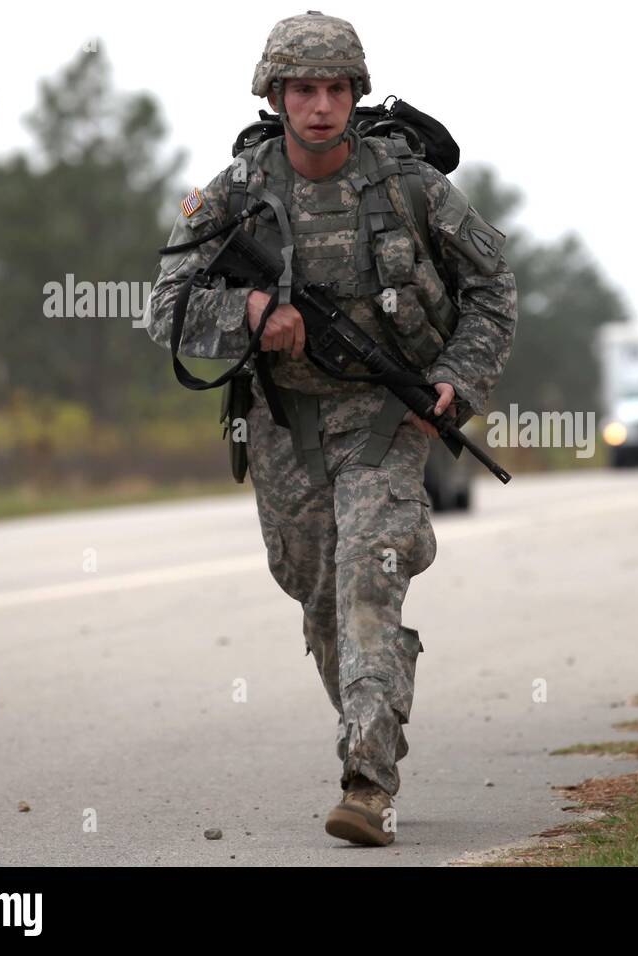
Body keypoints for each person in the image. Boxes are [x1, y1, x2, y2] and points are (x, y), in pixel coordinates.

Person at [141, 11, 517, 847]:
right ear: (274, 96)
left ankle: (368, 778)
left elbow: (494, 285)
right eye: (303, 89)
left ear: (356, 93)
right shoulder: (233, 191)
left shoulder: (409, 185)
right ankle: (373, 710)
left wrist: (458, 377)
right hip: (283, 423)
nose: (320, 105)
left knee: (367, 576)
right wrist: (247, 310)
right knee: (318, 599)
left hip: (386, 416)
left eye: (336, 88)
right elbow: (164, 309)